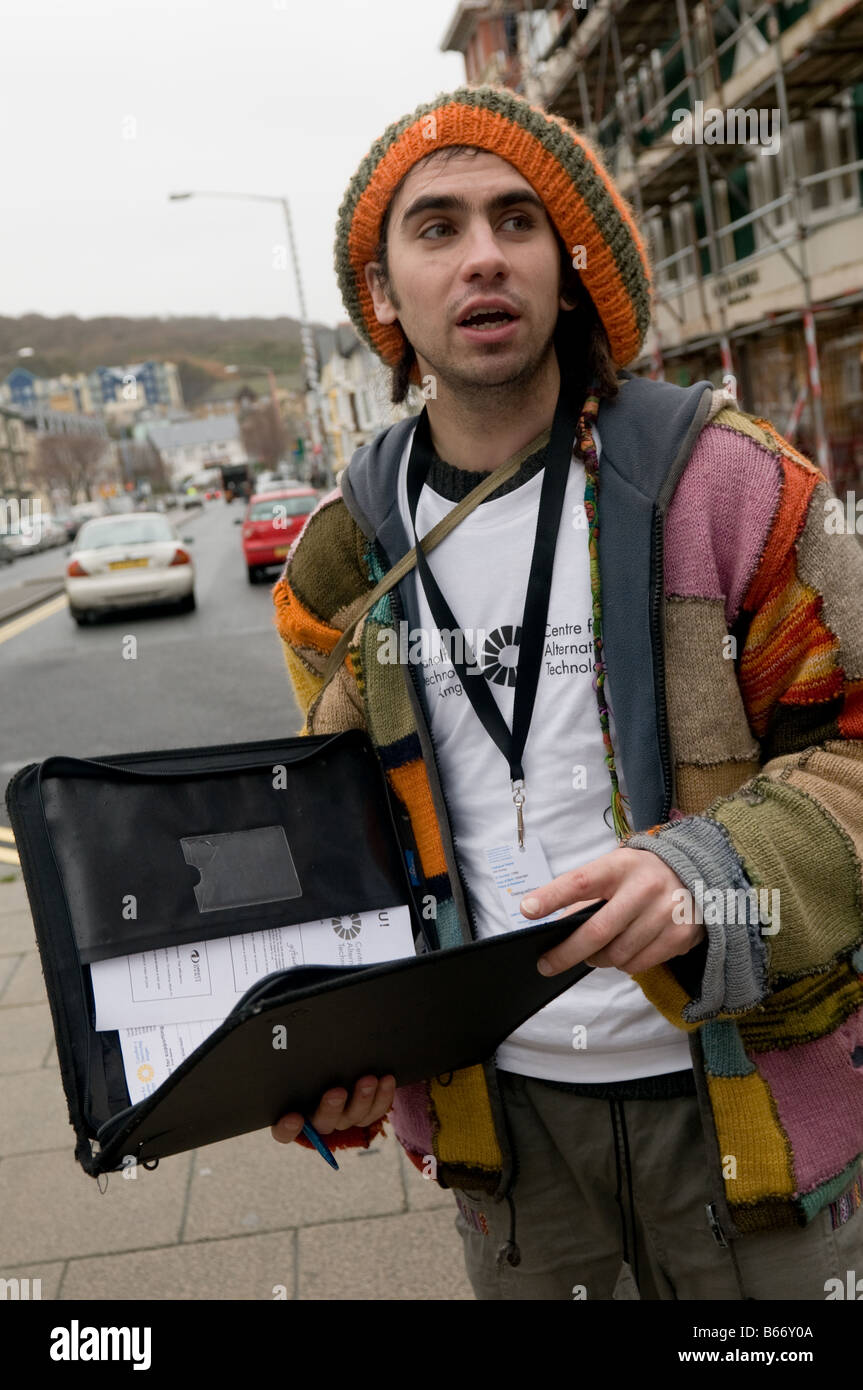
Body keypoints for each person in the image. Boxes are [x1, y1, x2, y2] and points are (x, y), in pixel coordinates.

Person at [269, 84, 863, 1300]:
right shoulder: (340, 560)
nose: (481, 254)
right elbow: (338, 841)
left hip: (749, 1109)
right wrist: (318, 1044)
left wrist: (712, 874)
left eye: (516, 220)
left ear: (570, 263)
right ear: (383, 293)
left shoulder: (731, 488)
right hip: (507, 1138)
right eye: (435, 226)